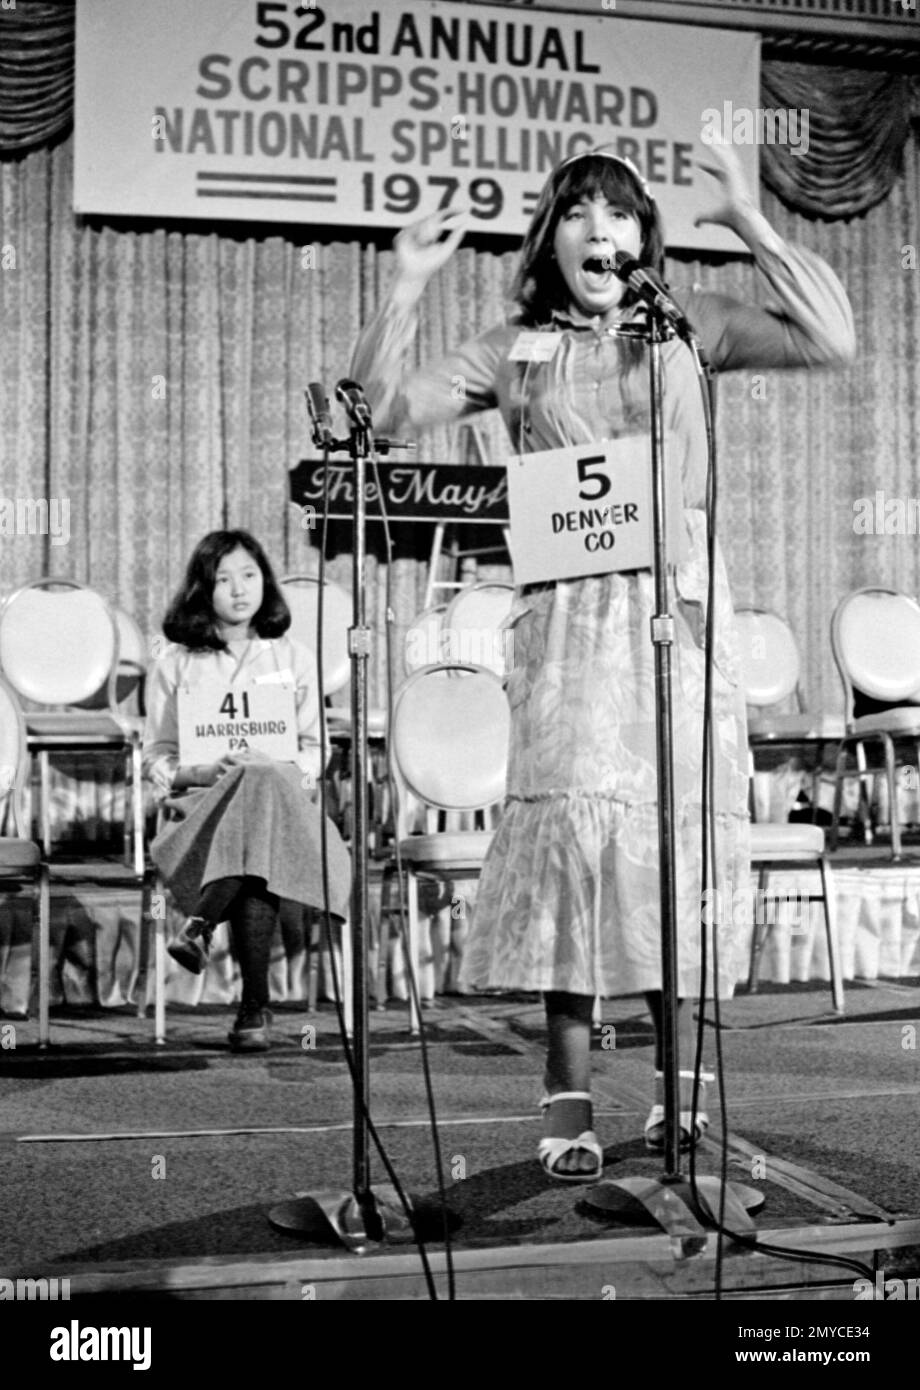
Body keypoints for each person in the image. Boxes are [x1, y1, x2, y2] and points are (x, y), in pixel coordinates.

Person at [351, 141, 855, 1180]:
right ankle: (566, 1101)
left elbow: (830, 338)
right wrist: (402, 283)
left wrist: (755, 222)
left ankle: (680, 1104)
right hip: (569, 624)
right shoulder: (518, 348)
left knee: (672, 855)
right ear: (549, 235)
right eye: (575, 211)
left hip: (675, 615)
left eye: (616, 213)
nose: (597, 228)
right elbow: (379, 413)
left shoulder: (684, 324)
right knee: (575, 859)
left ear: (640, 240)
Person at [142, 530, 351, 1051]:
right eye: (223, 579)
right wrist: (207, 771)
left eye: (250, 576)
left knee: (260, 787)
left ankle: (201, 926)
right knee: (252, 813)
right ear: (202, 590)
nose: (239, 590)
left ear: (266, 583)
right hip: (201, 811)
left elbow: (315, 753)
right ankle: (253, 1010)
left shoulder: (294, 659)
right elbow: (156, 760)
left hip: (279, 806)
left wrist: (276, 770)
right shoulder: (175, 665)